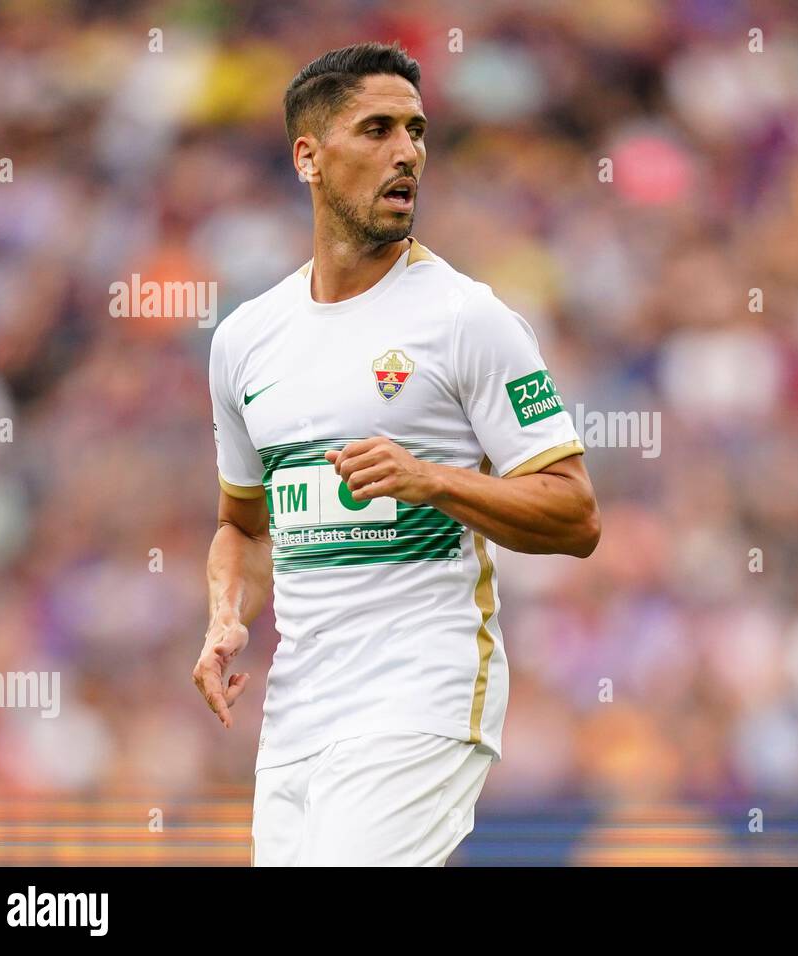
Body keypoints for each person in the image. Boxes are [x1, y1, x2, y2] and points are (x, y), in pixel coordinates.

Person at [192, 41, 600, 866]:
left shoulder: (467, 319)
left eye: (415, 130)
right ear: (308, 156)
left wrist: (431, 480)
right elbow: (245, 527)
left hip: (423, 696)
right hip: (300, 715)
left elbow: (576, 513)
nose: (406, 151)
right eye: (376, 129)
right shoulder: (246, 340)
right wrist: (227, 614)